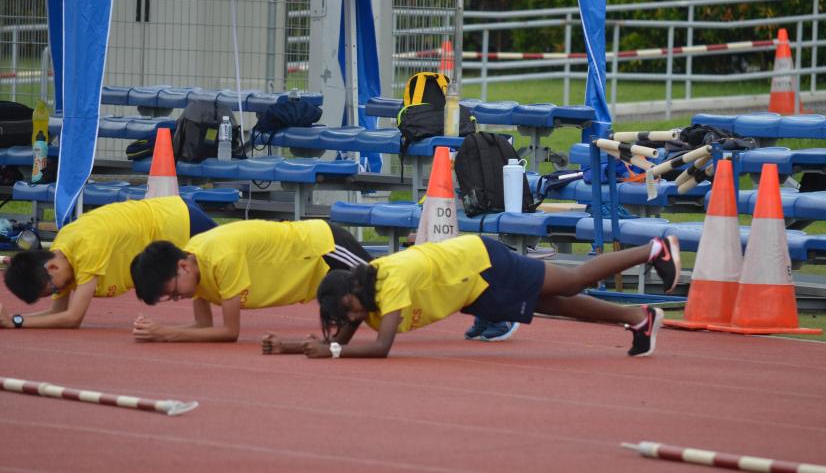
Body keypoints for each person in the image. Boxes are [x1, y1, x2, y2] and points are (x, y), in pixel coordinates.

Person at [260, 234, 681, 359]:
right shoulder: (361, 297)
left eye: (345, 311)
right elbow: (342, 339)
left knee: (568, 284)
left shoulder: (390, 283)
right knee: (555, 306)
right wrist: (291, 346)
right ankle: (636, 319)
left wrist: (330, 353)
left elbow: (383, 347)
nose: (347, 318)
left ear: (354, 290)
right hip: (469, 290)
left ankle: (653, 249)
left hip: (481, 263)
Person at [130, 219, 372, 343]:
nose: (178, 298)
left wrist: (165, 333)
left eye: (173, 292)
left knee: (383, 286)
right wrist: (160, 331)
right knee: (375, 302)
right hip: (310, 267)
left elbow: (229, 332)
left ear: (182, 266)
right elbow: (204, 325)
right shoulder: (192, 262)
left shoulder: (221, 258)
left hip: (322, 248)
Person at [0, 196, 217, 330]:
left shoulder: (87, 248)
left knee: (232, 268)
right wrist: (13, 319)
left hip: (180, 223)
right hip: (169, 211)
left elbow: (73, 318)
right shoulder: (60, 250)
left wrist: (17, 322)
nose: (60, 291)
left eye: (54, 288)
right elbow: (58, 313)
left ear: (52, 268)